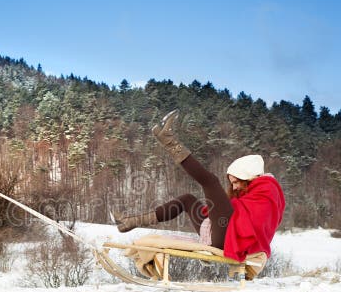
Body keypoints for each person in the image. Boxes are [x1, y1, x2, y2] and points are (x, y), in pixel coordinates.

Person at [114, 110, 285, 269]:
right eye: (232, 183)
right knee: (187, 200)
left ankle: (169, 140)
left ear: (248, 176)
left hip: (230, 239)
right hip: (223, 232)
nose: (234, 187)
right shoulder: (255, 192)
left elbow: (253, 224)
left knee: (210, 181)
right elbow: (237, 212)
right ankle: (129, 223)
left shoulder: (267, 191)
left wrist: (221, 208)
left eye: (236, 182)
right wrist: (216, 211)